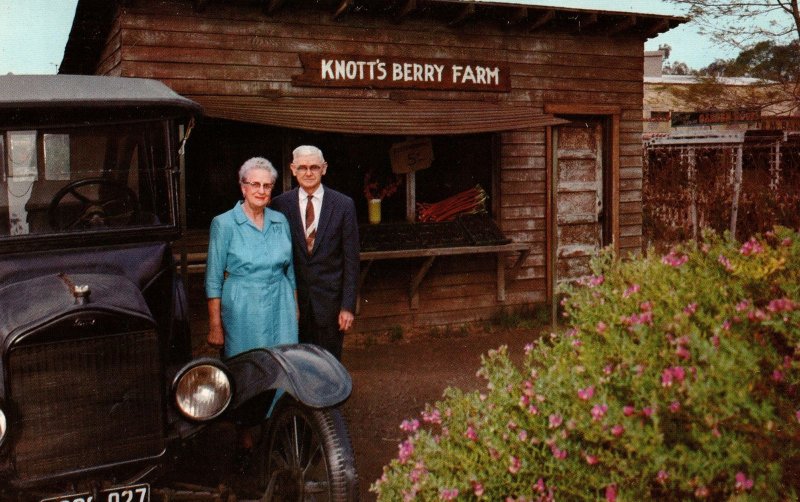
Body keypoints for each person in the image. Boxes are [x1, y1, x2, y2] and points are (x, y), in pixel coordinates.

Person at [271, 145, 359, 360]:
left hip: (330, 304)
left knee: (329, 362)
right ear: (293, 169)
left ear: (324, 169)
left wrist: (347, 306)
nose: (308, 173)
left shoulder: (343, 204)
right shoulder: (279, 205)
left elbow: (351, 259)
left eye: (314, 167)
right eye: (302, 167)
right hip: (294, 303)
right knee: (297, 361)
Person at [205, 156, 298, 358]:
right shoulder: (224, 224)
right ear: (243, 188)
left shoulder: (280, 220)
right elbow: (213, 278)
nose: (261, 191)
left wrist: (295, 307)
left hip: (282, 303)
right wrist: (215, 325)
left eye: (267, 185)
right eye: (255, 184)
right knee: (246, 361)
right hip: (243, 305)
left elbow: (290, 270)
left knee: (284, 359)